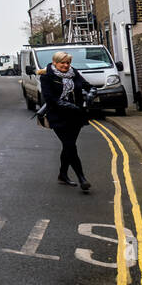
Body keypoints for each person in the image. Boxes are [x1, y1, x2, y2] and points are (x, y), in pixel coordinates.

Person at [39, 50, 92, 191]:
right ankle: (82, 178)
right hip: (58, 116)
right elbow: (49, 98)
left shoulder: (74, 73)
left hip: (76, 116)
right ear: (55, 63)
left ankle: (63, 175)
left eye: (68, 62)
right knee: (70, 146)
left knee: (68, 146)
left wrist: (92, 91)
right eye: (62, 62)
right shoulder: (47, 76)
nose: (66, 65)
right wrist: (66, 104)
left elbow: (86, 85)